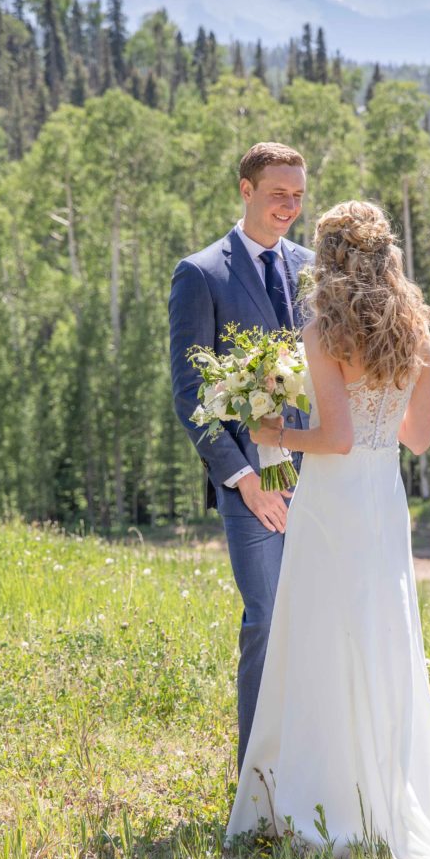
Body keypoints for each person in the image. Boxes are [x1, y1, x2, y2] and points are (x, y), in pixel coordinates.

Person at [225, 200, 430, 859]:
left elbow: (330, 438)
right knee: (381, 630)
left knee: (321, 633)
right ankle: (382, 786)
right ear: (387, 254)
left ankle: (321, 794)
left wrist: (274, 435)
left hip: (332, 500)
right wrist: (377, 407)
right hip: (382, 500)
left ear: (328, 258)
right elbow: (415, 438)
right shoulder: (414, 329)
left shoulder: (321, 331)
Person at [168, 141, 313, 775]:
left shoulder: (313, 267)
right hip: (251, 482)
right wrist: (245, 479)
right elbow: (189, 391)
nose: (289, 207)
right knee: (267, 620)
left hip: (320, 474)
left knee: (316, 620)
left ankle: (312, 763)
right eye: (278, 193)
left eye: (299, 196)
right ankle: (256, 778)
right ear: (246, 190)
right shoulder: (201, 274)